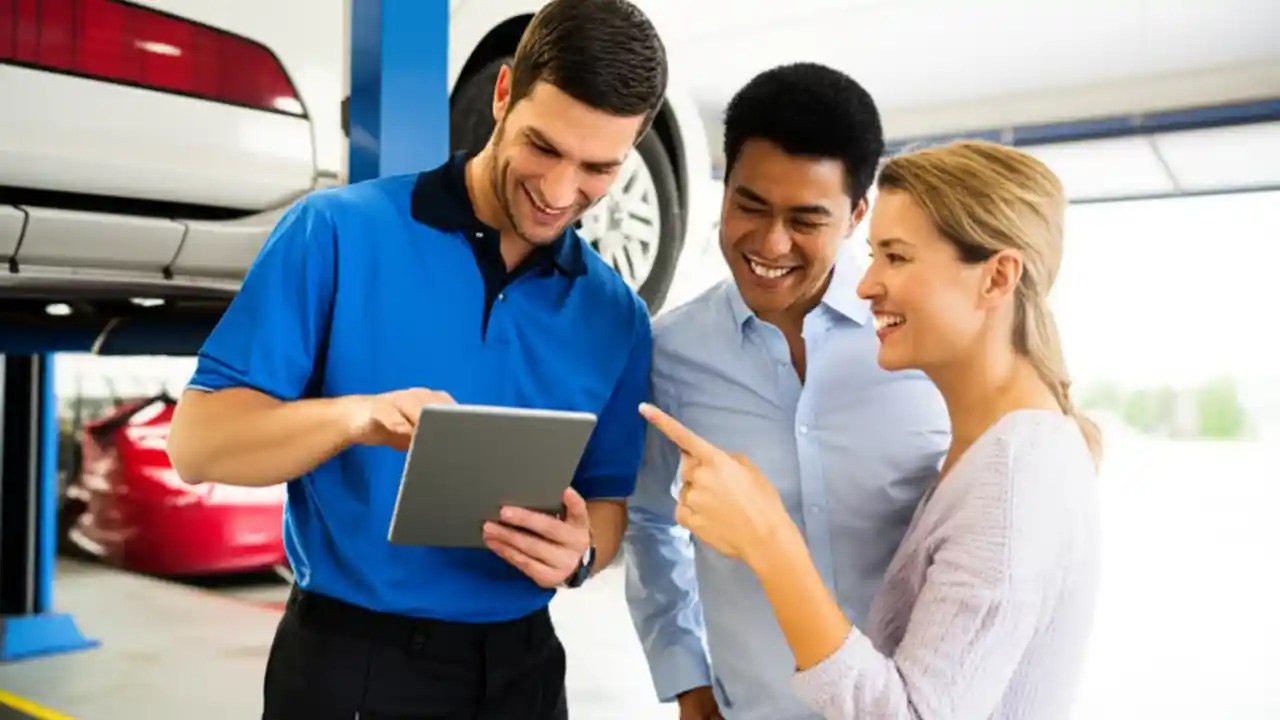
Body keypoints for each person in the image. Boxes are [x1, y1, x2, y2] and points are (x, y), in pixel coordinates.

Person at [164, 1, 667, 717]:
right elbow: (199, 446)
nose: (560, 192)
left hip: (522, 673)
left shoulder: (617, 316)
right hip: (351, 666)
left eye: (597, 168)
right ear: (501, 96)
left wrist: (582, 551)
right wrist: (357, 417)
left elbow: (609, 501)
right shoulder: (334, 234)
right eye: (543, 147)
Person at [639, 139, 1104, 720]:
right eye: (874, 254)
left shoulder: (1012, 479)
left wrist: (769, 540)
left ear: (996, 278)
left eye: (897, 257)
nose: (864, 285)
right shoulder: (994, 452)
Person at [623, 63, 950, 720]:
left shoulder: (927, 347)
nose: (771, 243)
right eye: (750, 205)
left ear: (857, 214)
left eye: (806, 219)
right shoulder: (672, 353)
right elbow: (648, 519)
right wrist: (688, 681)